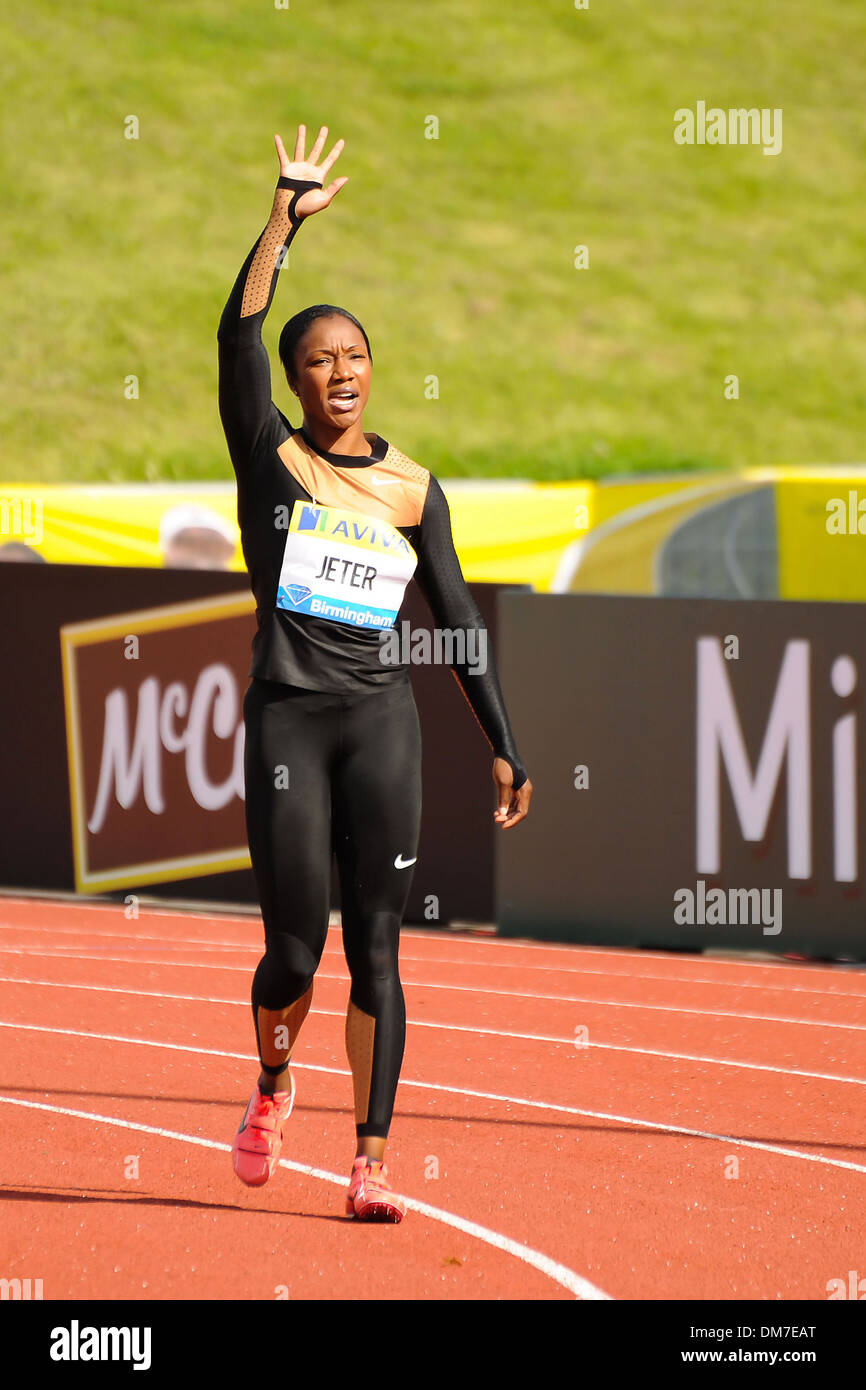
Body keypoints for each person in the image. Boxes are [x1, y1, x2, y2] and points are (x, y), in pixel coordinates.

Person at [217, 124, 532, 1223]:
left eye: (353, 357)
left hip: (380, 723)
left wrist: (500, 738)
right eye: (319, 361)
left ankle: (370, 1161)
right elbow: (236, 334)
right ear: (296, 381)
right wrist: (278, 225)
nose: (338, 373)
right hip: (290, 721)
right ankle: (268, 1082)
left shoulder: (411, 487)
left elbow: (453, 616)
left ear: (371, 369)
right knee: (294, 948)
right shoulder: (270, 451)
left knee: (380, 949)